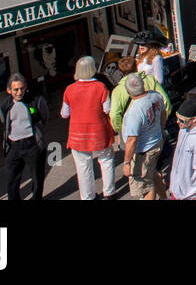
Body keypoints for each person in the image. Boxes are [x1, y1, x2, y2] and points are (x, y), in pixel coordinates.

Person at [61, 55, 115, 200]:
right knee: (106, 160)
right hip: (99, 131)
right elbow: (108, 109)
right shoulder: (100, 87)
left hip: (77, 134)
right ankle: (109, 193)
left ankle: (88, 196)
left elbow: (64, 114)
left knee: (83, 167)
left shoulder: (69, 89)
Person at [0, 73, 48, 201]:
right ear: (9, 90)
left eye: (22, 88)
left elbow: (43, 116)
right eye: (16, 89)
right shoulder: (5, 105)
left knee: (37, 176)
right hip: (14, 146)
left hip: (32, 144)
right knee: (11, 179)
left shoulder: (35, 100)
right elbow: (4, 121)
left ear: (26, 87)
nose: (19, 92)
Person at [120, 73, 166, 200]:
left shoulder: (134, 112)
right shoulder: (155, 96)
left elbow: (132, 140)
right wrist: (162, 130)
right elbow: (163, 112)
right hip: (156, 141)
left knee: (145, 187)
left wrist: (126, 163)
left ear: (129, 92)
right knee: (152, 174)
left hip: (143, 151)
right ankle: (164, 197)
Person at [109, 55, 171, 135]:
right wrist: (162, 121)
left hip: (134, 132)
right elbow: (165, 100)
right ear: (136, 67)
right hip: (154, 127)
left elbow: (114, 115)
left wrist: (123, 130)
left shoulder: (118, 91)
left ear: (120, 72)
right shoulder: (150, 80)